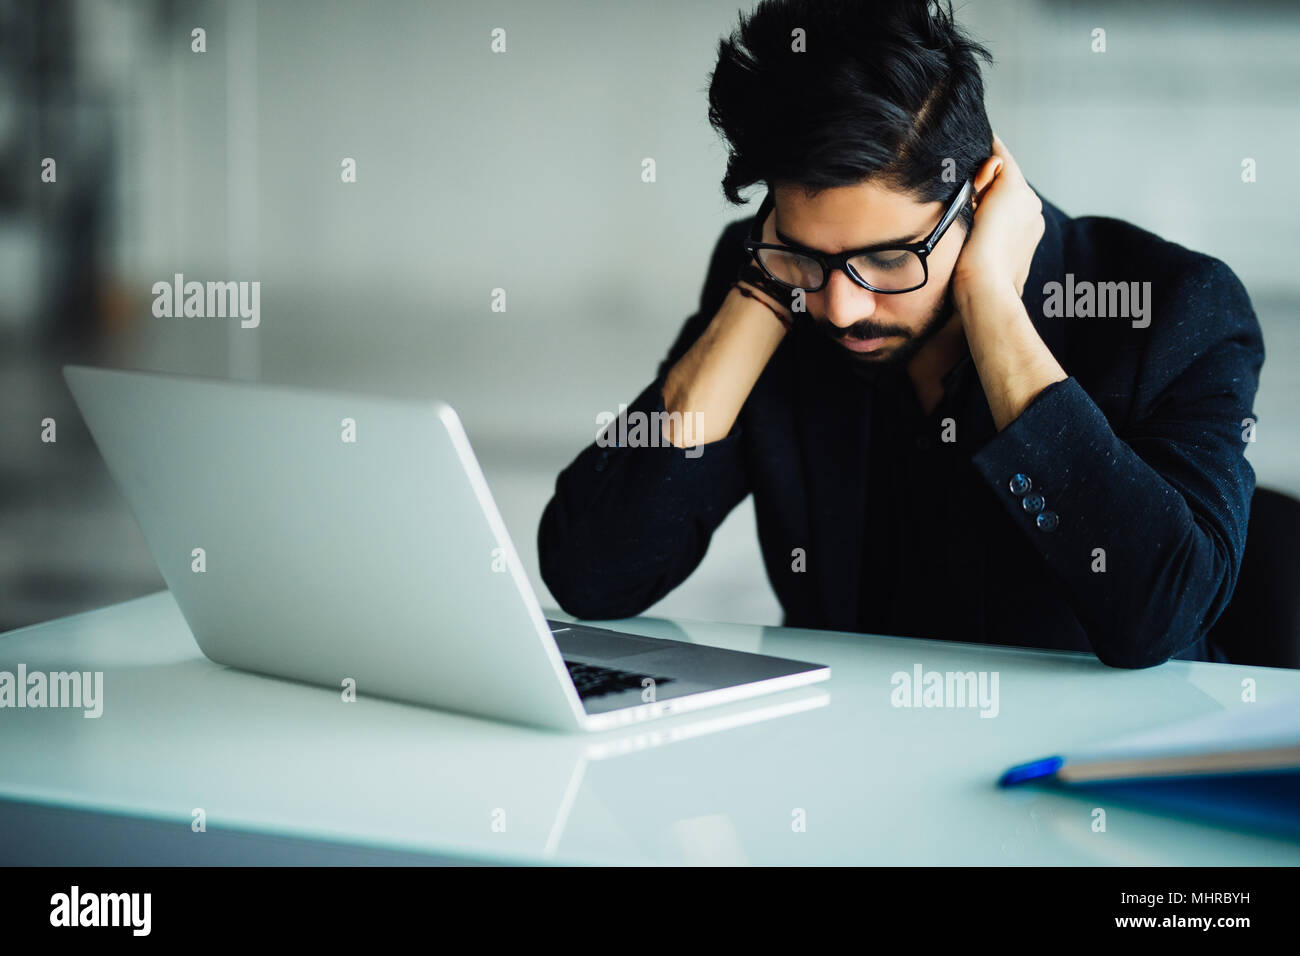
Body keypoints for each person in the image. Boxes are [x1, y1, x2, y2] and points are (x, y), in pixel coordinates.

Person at [537, 0, 1264, 667]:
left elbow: (1160, 620)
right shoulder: (772, 282)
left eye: (888, 259)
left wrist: (993, 309)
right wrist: (763, 287)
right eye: (805, 253)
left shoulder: (1173, 307)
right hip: (847, 773)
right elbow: (593, 573)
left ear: (980, 197)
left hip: (1086, 783)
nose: (843, 308)